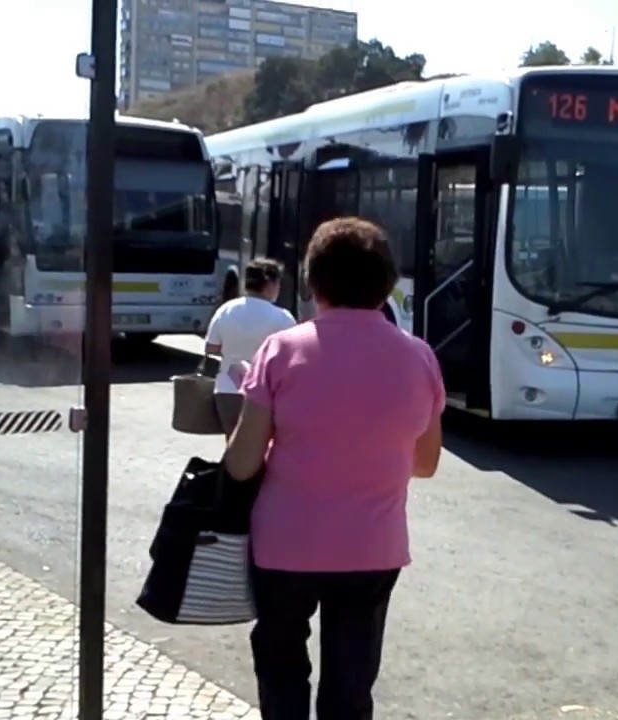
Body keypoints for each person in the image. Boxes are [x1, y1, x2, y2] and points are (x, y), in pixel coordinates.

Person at [224, 216, 445, 720]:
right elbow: (426, 464)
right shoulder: (419, 358)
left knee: (281, 672)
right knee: (350, 686)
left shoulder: (281, 350)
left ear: (312, 282)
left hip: (284, 548)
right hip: (373, 548)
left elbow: (241, 465)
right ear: (387, 283)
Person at [203, 259, 296, 436]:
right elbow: (292, 359)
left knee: (234, 449)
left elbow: (211, 348)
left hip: (227, 392)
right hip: (265, 397)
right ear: (270, 284)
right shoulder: (283, 318)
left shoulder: (226, 310)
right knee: (261, 450)